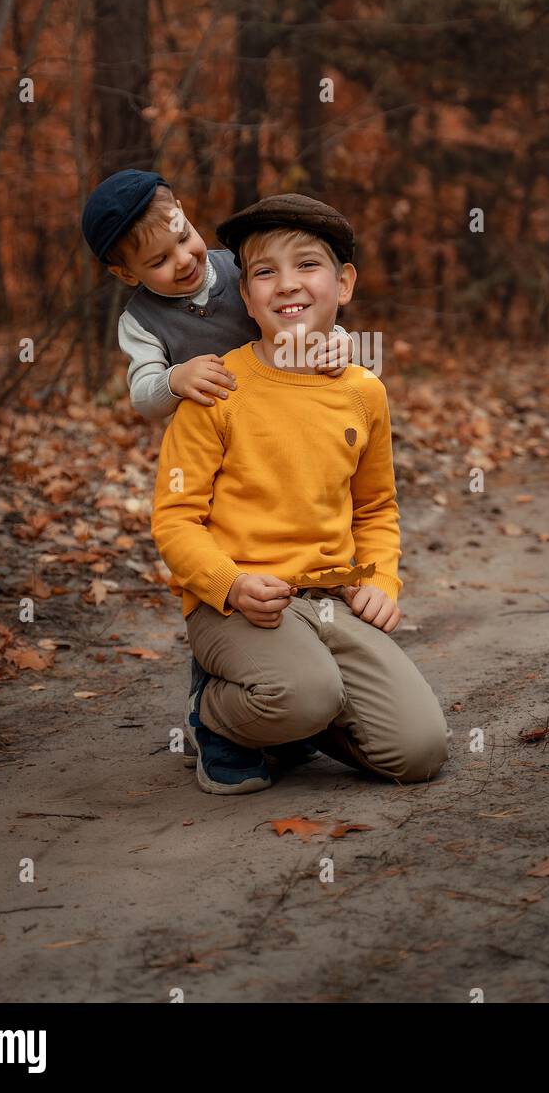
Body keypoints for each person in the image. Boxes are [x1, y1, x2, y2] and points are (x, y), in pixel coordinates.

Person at [151, 193, 450, 795]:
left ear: (344, 284)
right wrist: (228, 583)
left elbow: (375, 507)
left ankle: (294, 722)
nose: (287, 285)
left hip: (334, 598)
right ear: (245, 295)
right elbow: (175, 520)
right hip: (238, 605)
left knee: (418, 752)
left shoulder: (365, 392)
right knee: (303, 692)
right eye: (264, 271)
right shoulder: (218, 389)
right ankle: (214, 719)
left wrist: (382, 581)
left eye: (307, 265)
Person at [81, 171, 353, 792]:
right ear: (127, 275)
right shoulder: (143, 321)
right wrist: (174, 380)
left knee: (283, 558)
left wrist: (337, 340)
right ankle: (216, 720)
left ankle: (284, 705)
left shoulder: (244, 267)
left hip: (282, 443)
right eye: (157, 260)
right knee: (224, 576)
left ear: (188, 215)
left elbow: (305, 309)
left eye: (183, 237)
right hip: (214, 456)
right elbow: (143, 393)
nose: (182, 260)